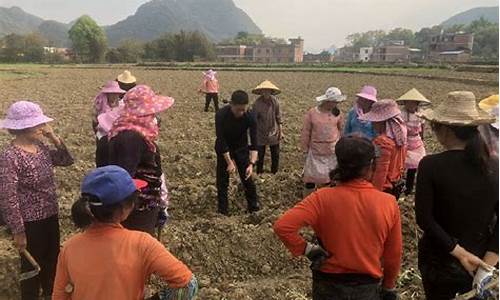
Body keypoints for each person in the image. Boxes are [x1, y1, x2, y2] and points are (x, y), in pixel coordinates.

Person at [274, 136, 402, 300]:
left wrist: (307, 249)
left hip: (328, 285)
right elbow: (393, 254)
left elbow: (283, 226)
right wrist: (388, 287)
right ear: (370, 166)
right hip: (366, 287)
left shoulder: (321, 198)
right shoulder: (388, 203)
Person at [52, 165, 198, 300]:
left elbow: (60, 296)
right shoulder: (142, 244)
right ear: (124, 209)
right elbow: (188, 284)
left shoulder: (69, 248)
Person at [416, 91, 498, 300]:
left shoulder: (430, 165)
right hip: (480, 260)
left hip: (440, 259)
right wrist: (487, 265)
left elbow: (424, 219)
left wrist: (458, 252)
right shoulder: (496, 166)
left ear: (444, 129)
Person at [0, 101, 74, 300]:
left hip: (50, 214)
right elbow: (8, 196)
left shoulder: (40, 147)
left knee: (52, 262)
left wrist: (53, 137)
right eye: (38, 125)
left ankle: (52, 294)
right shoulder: (10, 156)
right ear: (23, 128)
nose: (42, 128)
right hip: (30, 222)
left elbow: (67, 160)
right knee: (31, 268)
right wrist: (18, 231)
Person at [108, 85, 174, 236]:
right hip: (137, 212)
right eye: (152, 113)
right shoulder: (131, 138)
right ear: (142, 114)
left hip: (143, 206)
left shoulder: (131, 135)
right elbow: (124, 180)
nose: (155, 117)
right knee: (139, 250)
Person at [215, 90, 260, 215]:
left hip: (241, 147)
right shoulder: (221, 115)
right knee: (222, 180)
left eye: (243, 109)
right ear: (231, 104)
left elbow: (254, 142)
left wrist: (251, 164)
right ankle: (223, 210)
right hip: (224, 147)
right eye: (238, 109)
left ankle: (253, 206)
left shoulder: (250, 117)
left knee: (247, 177)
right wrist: (229, 162)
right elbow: (221, 139)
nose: (241, 112)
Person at [301, 87, 345, 196]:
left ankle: (327, 197)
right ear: (327, 101)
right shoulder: (313, 113)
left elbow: (340, 129)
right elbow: (306, 131)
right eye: (334, 102)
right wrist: (305, 148)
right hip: (316, 150)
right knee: (311, 177)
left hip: (332, 150)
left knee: (330, 176)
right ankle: (308, 198)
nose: (336, 104)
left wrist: (341, 145)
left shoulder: (337, 113)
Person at [359, 99, 407, 198]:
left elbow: (380, 172)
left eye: (374, 121)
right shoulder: (400, 138)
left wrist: (375, 194)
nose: (372, 123)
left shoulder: (382, 142)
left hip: (383, 187)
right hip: (395, 183)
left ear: (381, 122)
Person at [396, 88, 431, 195]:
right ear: (405, 103)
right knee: (401, 164)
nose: (411, 105)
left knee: (414, 165)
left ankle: (409, 187)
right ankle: (399, 184)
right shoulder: (401, 114)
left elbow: (422, 127)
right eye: (408, 103)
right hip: (404, 141)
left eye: (413, 103)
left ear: (417, 104)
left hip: (415, 142)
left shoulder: (420, 114)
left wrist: (422, 138)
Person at [251, 80, 283, 174]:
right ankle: (259, 173)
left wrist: (281, 132)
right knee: (260, 155)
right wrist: (253, 134)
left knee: (275, 154)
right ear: (261, 92)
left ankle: (274, 172)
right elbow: (254, 120)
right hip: (261, 132)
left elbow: (278, 117)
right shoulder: (257, 104)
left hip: (273, 131)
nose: (266, 93)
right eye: (264, 91)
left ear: (271, 91)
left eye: (268, 91)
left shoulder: (275, 102)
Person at [92, 81, 126, 167]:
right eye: (112, 93)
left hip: (118, 139)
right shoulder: (99, 106)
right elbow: (95, 124)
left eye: (116, 93)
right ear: (107, 94)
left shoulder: (122, 106)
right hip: (103, 138)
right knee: (103, 162)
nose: (115, 95)